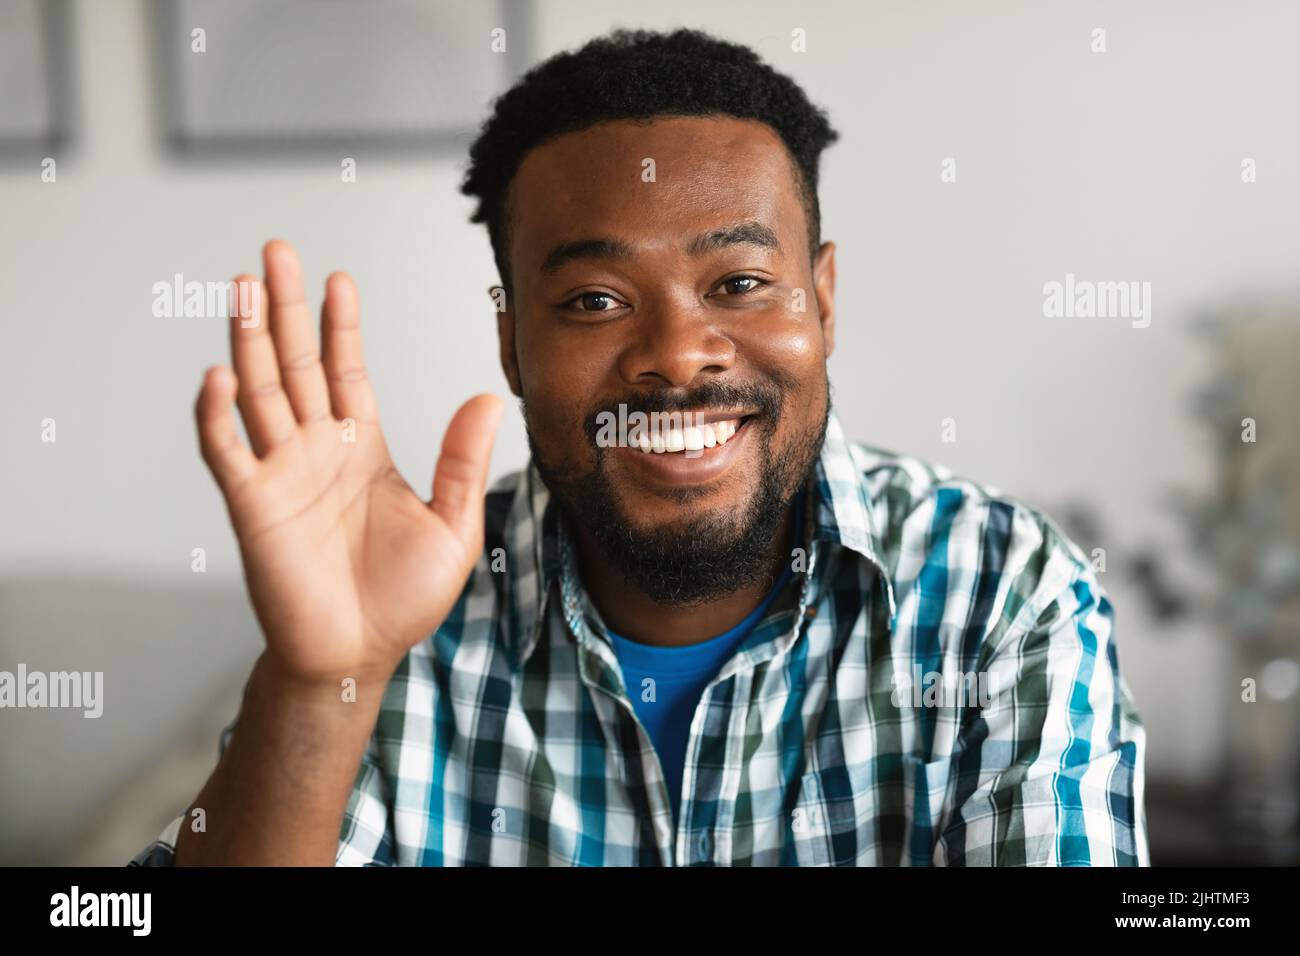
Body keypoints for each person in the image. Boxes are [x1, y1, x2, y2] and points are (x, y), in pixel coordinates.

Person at [131, 27, 1147, 866]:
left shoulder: (1001, 593)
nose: (674, 355)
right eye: (593, 300)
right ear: (512, 342)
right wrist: (317, 685)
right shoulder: (404, 622)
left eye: (739, 282)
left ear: (821, 299)